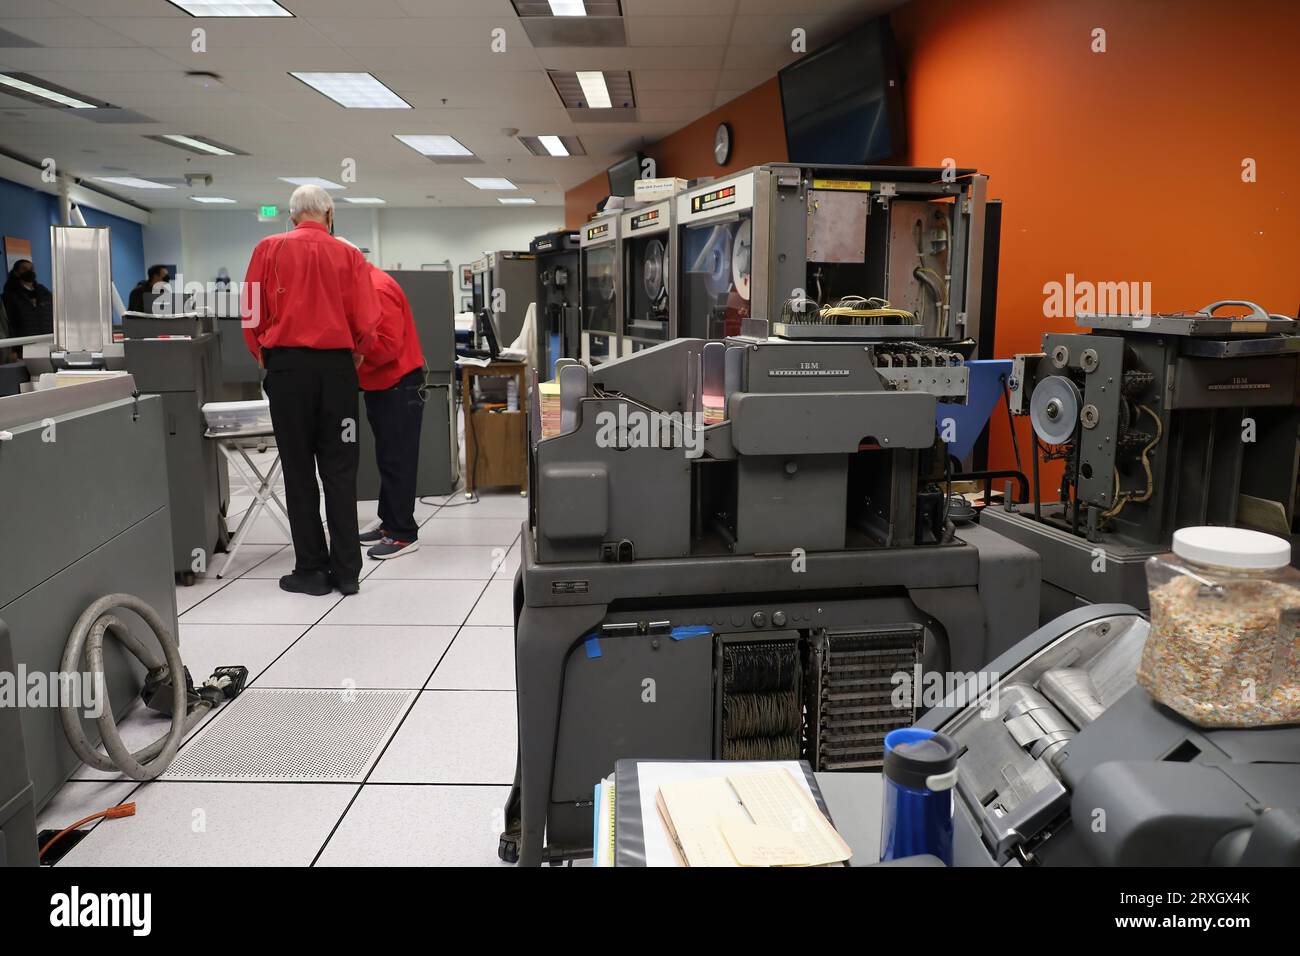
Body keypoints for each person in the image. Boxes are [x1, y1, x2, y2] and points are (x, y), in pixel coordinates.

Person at [242, 185, 381, 596]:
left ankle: (311, 571)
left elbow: (250, 310)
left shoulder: (267, 248)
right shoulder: (350, 255)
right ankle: (348, 572)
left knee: (298, 470)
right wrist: (353, 358)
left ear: (291, 215)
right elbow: (369, 321)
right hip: (337, 372)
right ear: (329, 214)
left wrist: (265, 356)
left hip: (287, 372)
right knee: (341, 470)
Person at [343, 242, 426, 561]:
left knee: (398, 460)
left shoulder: (376, 288)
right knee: (388, 458)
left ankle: (403, 533)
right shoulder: (364, 285)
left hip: (398, 384)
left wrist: (350, 357)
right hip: (383, 385)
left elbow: (387, 345)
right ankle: (388, 523)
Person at [2, 260, 54, 339]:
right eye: (24, 269)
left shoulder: (44, 292)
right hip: (24, 342)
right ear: (16, 272)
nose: (29, 271)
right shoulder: (10, 295)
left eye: (31, 269)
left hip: (47, 338)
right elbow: (9, 324)